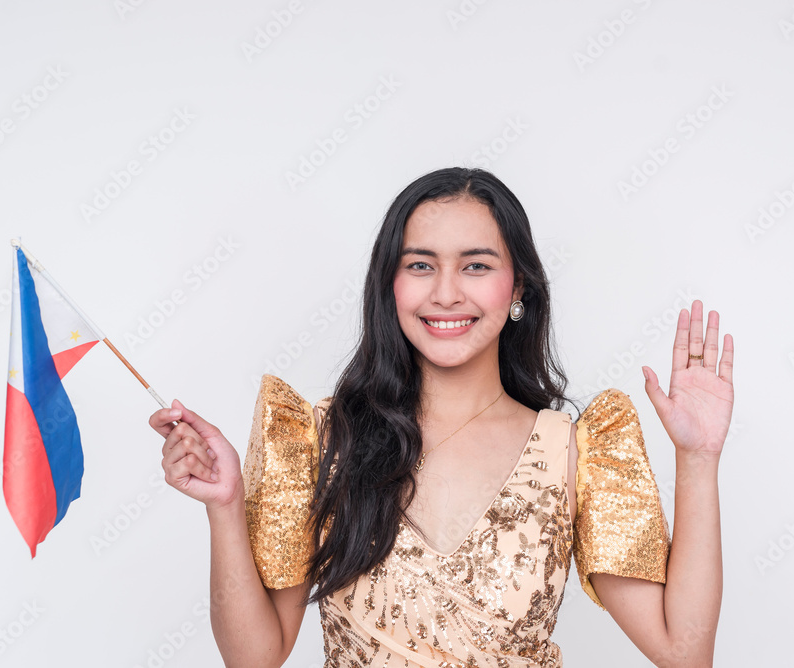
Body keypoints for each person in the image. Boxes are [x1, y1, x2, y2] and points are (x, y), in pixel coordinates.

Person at [149, 167, 734, 667]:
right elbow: (254, 657)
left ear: (517, 288)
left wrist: (699, 458)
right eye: (421, 265)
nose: (447, 293)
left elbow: (683, 651)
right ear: (391, 285)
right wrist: (225, 506)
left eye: (476, 266)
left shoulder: (575, 448)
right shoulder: (321, 438)